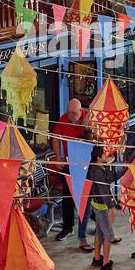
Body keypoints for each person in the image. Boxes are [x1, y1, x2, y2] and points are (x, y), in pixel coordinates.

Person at [51, 99, 89, 242]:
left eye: (74, 114)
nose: (71, 117)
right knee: (68, 195)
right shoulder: (64, 119)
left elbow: (96, 136)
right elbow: (55, 138)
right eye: (69, 113)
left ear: (80, 111)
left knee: (87, 196)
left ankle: (95, 223)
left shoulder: (87, 117)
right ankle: (68, 227)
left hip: (86, 162)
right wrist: (58, 157)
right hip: (69, 162)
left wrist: (86, 124)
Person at [85, 146, 120, 270]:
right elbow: (103, 191)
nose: (107, 156)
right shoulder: (98, 172)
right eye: (105, 155)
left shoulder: (96, 168)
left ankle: (97, 258)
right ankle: (105, 264)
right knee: (109, 236)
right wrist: (111, 207)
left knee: (99, 232)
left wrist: (125, 169)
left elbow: (110, 177)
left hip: (96, 205)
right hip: (102, 207)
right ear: (99, 158)